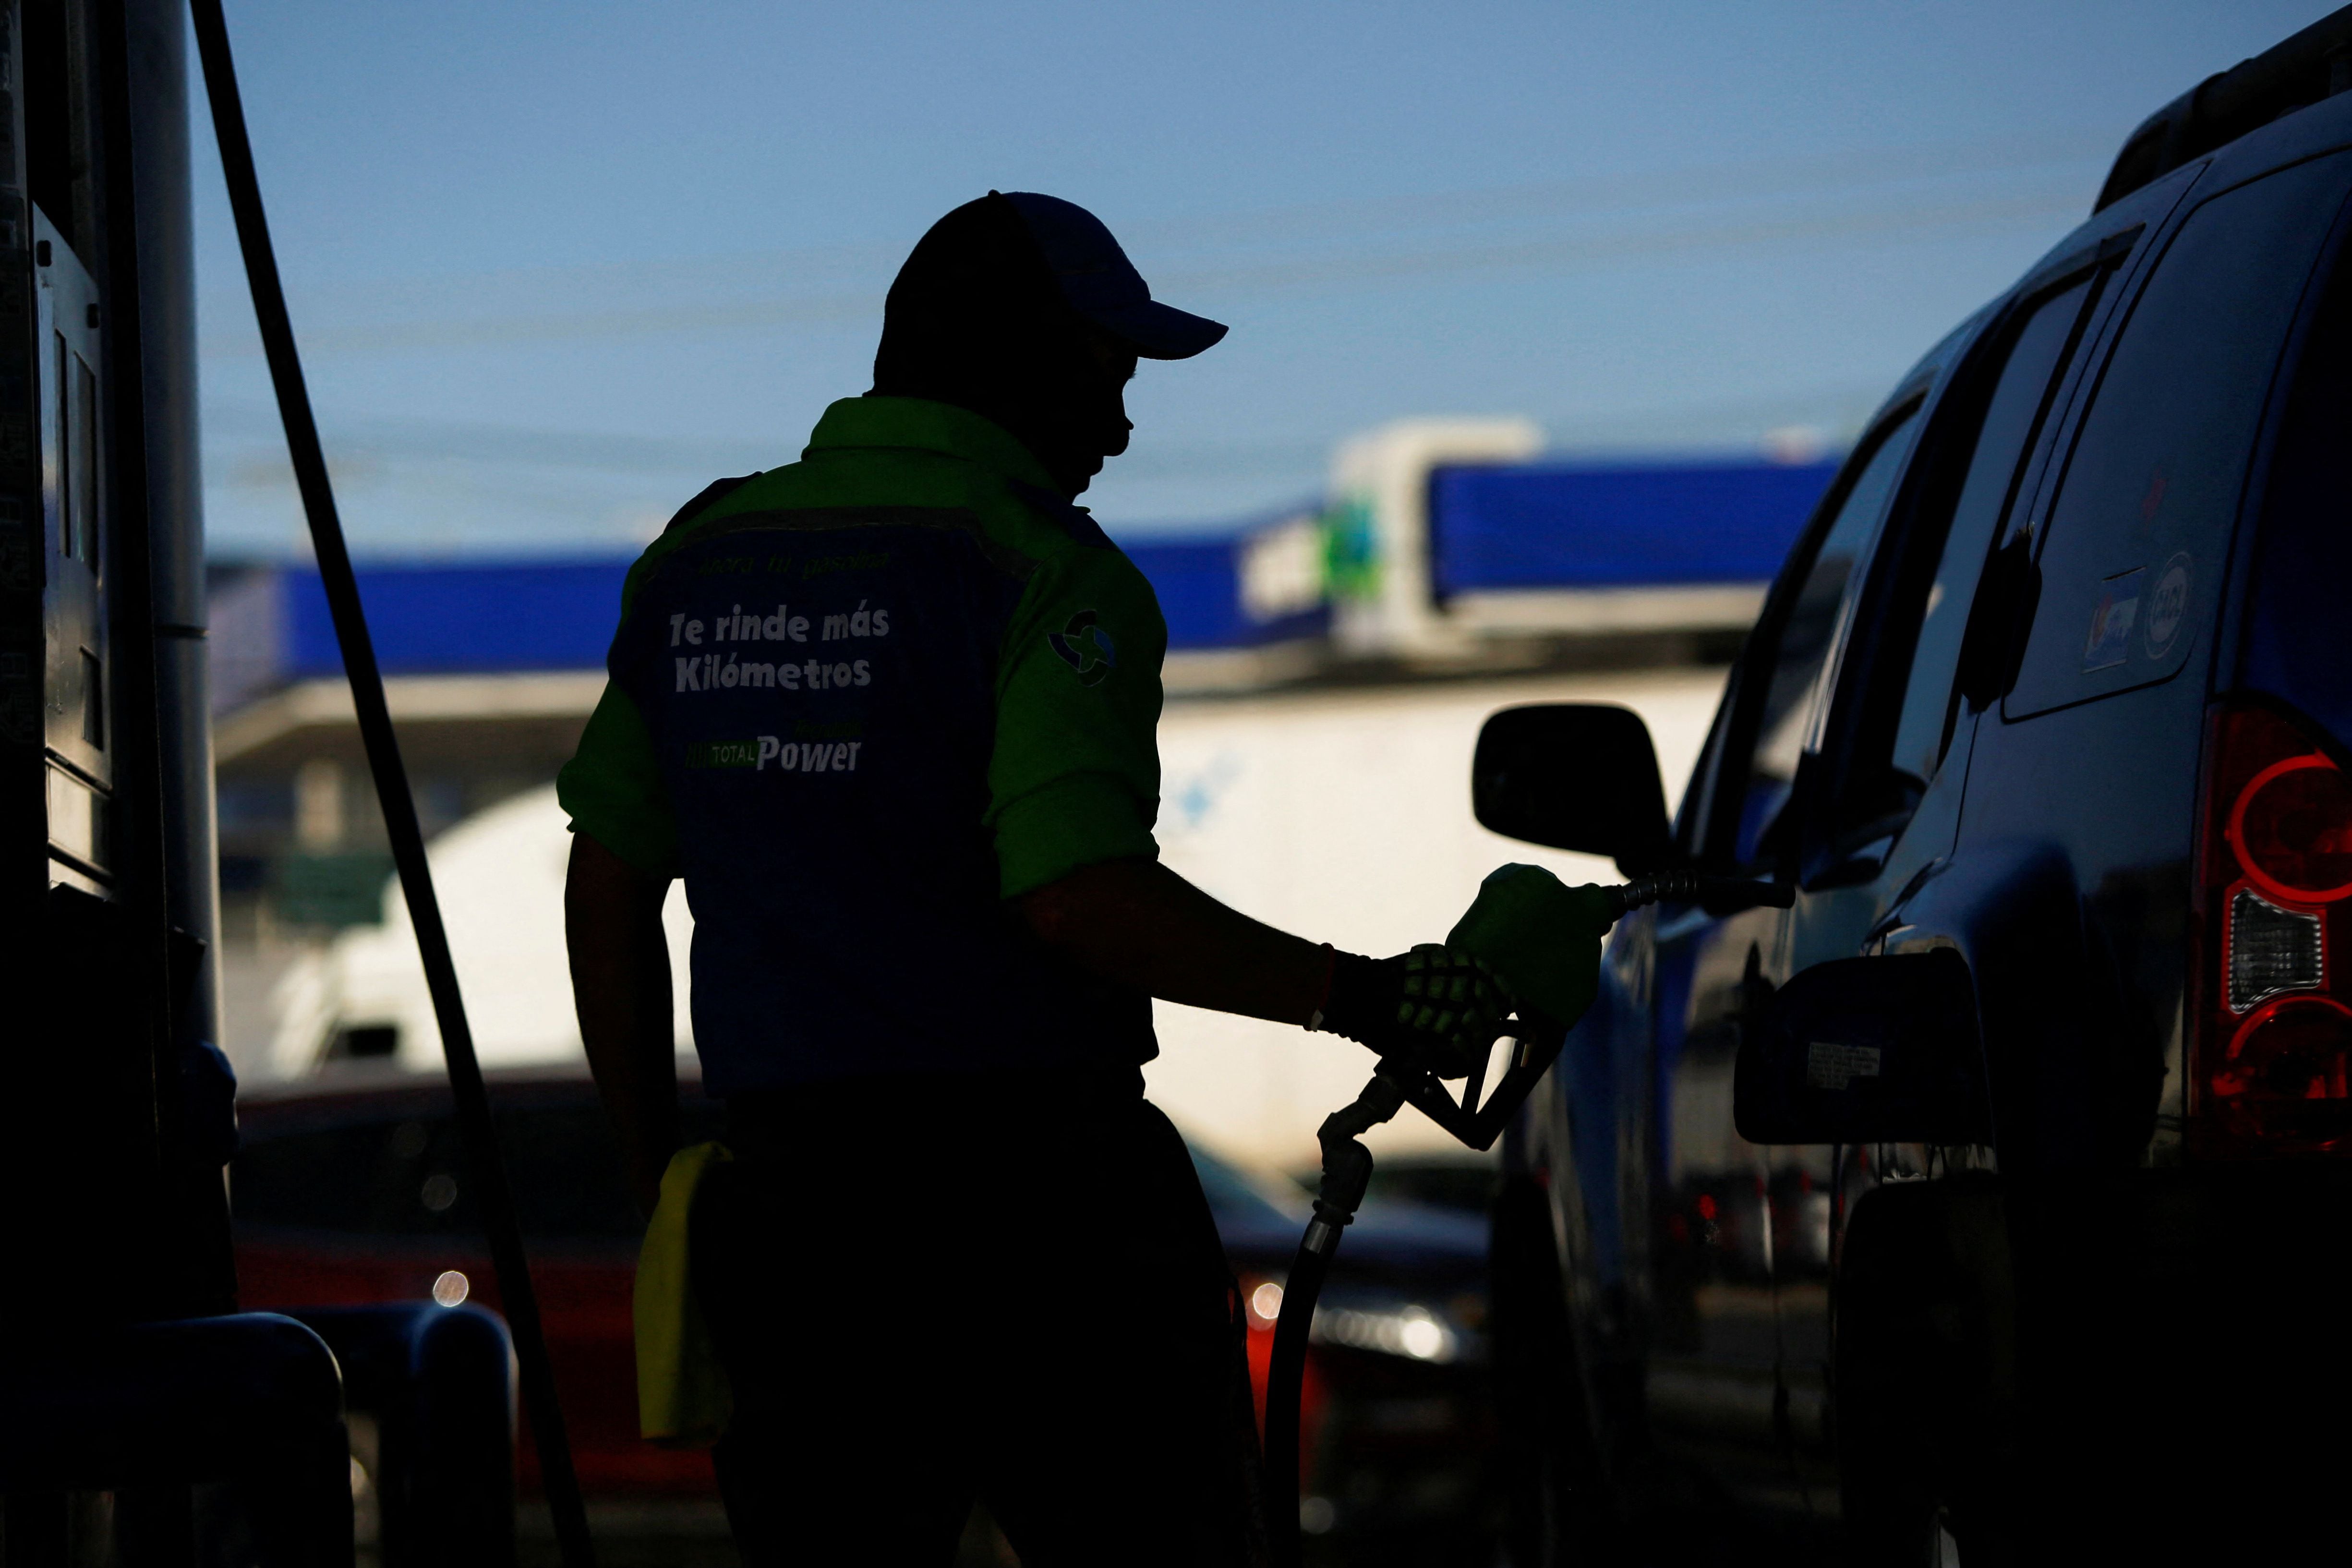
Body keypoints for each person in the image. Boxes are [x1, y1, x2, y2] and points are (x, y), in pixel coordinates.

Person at [561, 191, 1540, 1566]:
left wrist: (664, 1184)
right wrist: (1357, 994)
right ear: (1016, 362)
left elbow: (608, 883)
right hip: (1046, 1213)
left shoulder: (702, 561)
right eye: (1107, 376)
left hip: (788, 1218)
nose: (1121, 429)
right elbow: (1075, 894)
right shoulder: (1044, 570)